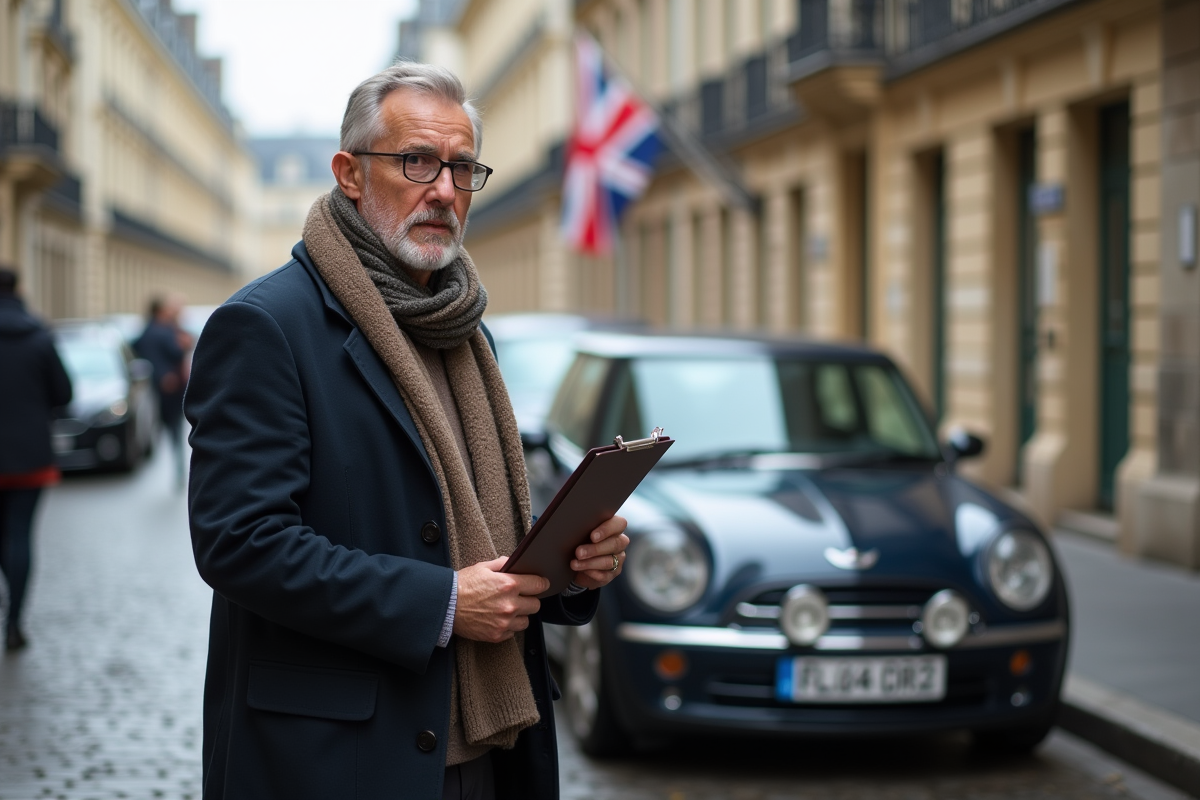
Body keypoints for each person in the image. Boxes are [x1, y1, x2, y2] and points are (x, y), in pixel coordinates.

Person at [184, 63, 628, 800]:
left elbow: (481, 535)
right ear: (350, 173)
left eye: (461, 167)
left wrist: (571, 567)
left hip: (489, 751)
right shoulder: (265, 327)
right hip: (337, 759)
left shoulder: (459, 324)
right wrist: (442, 604)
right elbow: (240, 542)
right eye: (416, 161)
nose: (445, 191)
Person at [0, 267, 72, 651]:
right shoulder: (38, 336)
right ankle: (14, 621)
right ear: (20, 290)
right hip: (29, 454)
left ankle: (9, 598)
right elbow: (64, 393)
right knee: (20, 535)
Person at [134, 294, 191, 487]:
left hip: (158, 386)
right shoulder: (163, 331)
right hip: (171, 385)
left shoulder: (150, 330)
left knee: (166, 425)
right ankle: (177, 464)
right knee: (173, 426)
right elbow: (177, 351)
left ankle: (172, 463)